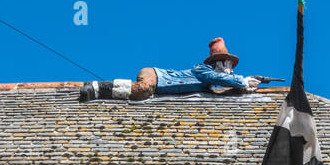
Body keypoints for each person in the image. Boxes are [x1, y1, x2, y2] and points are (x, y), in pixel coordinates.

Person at [79, 37, 264, 101]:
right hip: (154, 75)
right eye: (227, 65)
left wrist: (244, 86)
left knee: (144, 91)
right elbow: (220, 79)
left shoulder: (208, 82)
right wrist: (242, 80)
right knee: (143, 90)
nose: (229, 70)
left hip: (157, 79)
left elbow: (223, 85)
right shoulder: (203, 71)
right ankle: (97, 88)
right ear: (218, 64)